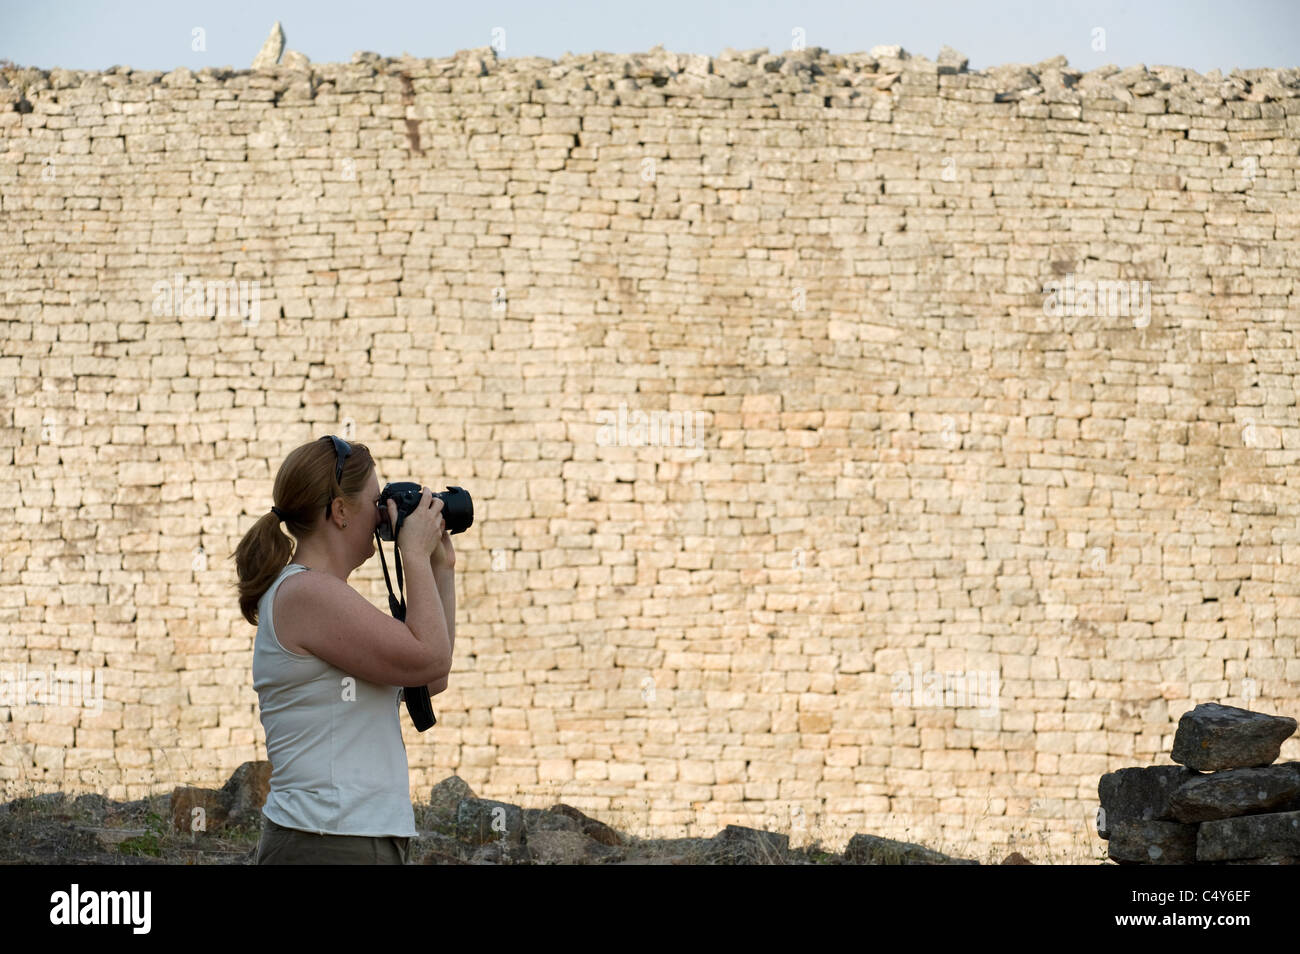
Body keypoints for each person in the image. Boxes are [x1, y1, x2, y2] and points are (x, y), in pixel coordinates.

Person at [231, 434, 456, 864]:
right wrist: (411, 551)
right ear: (339, 512)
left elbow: (429, 677)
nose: (383, 516)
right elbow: (429, 655)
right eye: (376, 503)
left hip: (347, 835)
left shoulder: (322, 595)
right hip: (328, 839)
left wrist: (439, 566)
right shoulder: (307, 593)